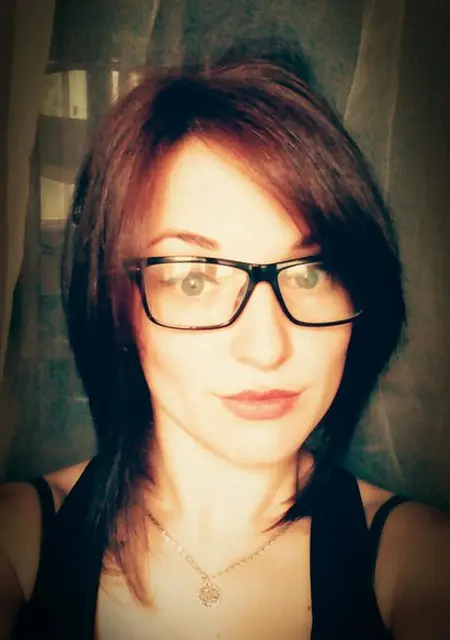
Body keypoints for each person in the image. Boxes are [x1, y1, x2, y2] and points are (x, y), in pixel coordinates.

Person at [1, 46, 449, 640]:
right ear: (118, 309)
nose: (266, 349)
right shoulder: (17, 542)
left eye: (311, 273)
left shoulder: (420, 560)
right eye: (194, 280)